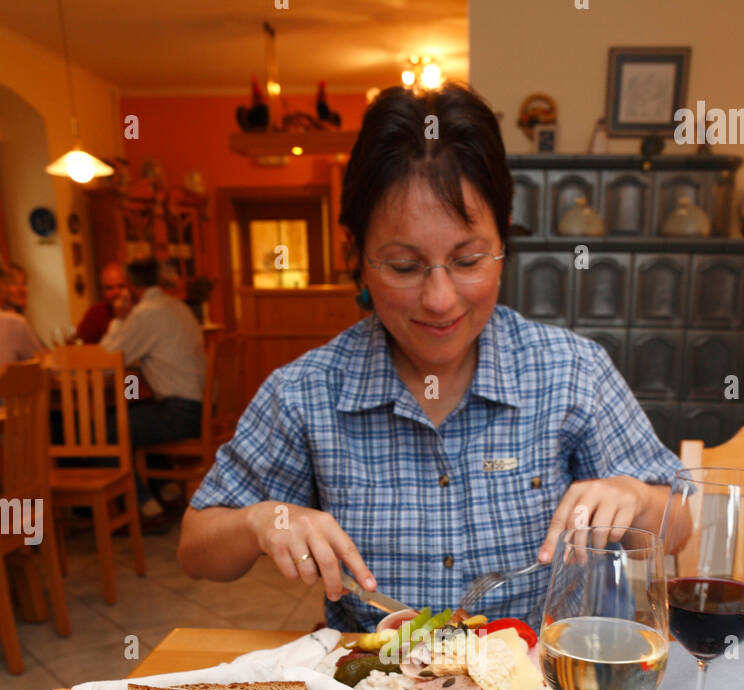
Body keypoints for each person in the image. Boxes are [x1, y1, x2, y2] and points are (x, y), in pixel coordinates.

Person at [179, 83, 685, 629]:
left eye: (468, 260)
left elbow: (679, 523)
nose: (440, 300)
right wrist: (262, 520)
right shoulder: (306, 390)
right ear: (358, 257)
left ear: (503, 247)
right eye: (403, 266)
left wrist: (635, 496)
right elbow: (196, 548)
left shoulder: (571, 372)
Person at [101, 258, 207, 533]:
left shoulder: (145, 313)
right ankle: (169, 494)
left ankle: (146, 508)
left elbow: (107, 361)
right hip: (202, 410)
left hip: (180, 412)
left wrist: (118, 320)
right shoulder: (178, 306)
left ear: (132, 288)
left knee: (107, 431)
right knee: (137, 420)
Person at [76, 262, 129, 344]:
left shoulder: (140, 310)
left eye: (121, 286)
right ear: (102, 291)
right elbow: (82, 345)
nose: (116, 292)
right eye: (109, 288)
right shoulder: (95, 313)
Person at [0, 265, 42, 367]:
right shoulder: (14, 323)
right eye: (14, 283)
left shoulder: (18, 322)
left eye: (24, 284)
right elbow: (44, 366)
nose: (22, 289)